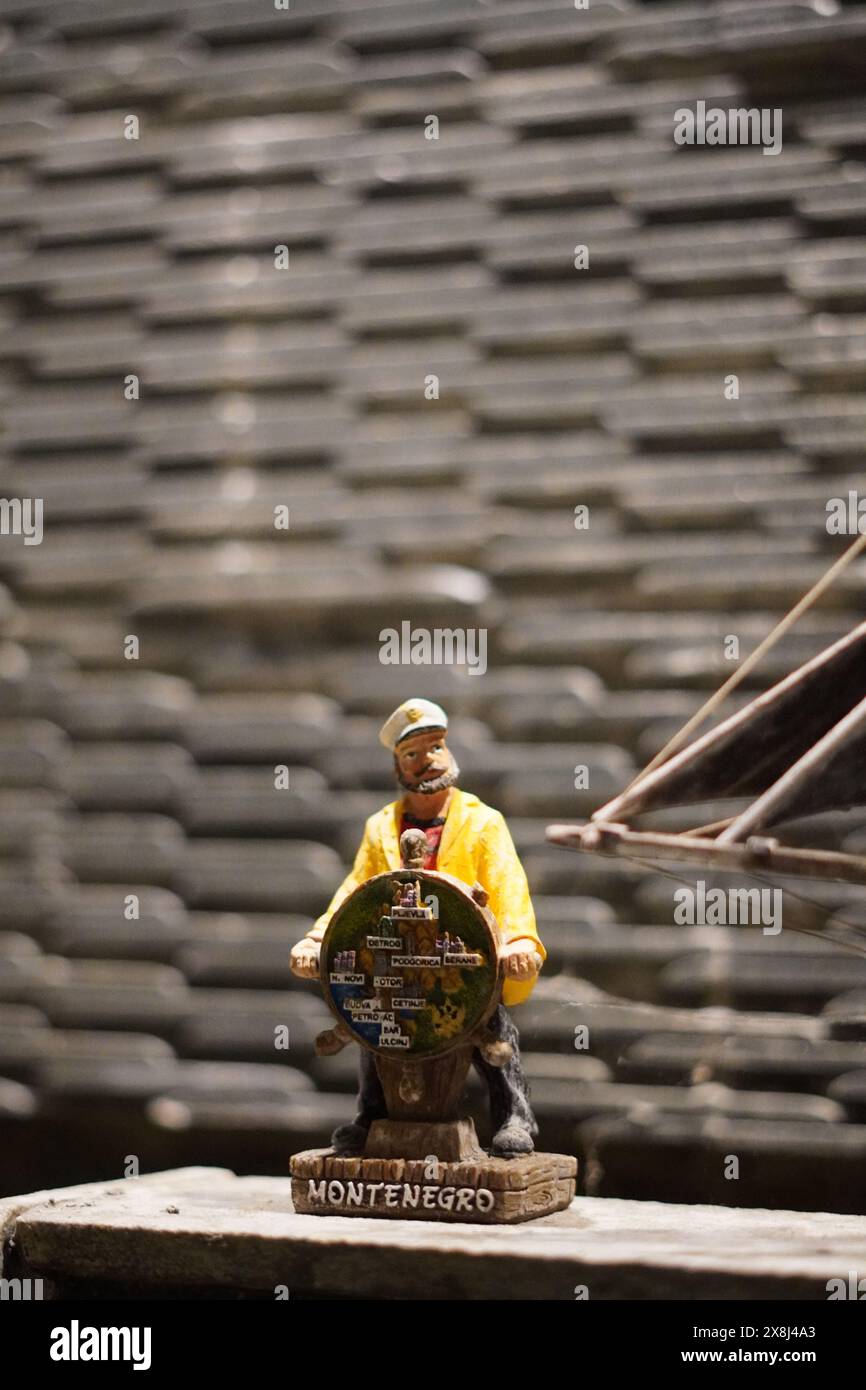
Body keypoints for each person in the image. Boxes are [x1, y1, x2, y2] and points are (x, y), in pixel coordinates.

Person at [290, 698, 546, 1156]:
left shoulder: (484, 823)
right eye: (413, 753)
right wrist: (316, 938)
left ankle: (514, 1116)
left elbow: (508, 885)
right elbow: (355, 890)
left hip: (461, 958)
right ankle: (370, 1119)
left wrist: (521, 941)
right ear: (398, 766)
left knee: (493, 1032)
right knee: (374, 1030)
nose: (427, 760)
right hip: (392, 953)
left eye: (436, 747)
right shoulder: (380, 828)